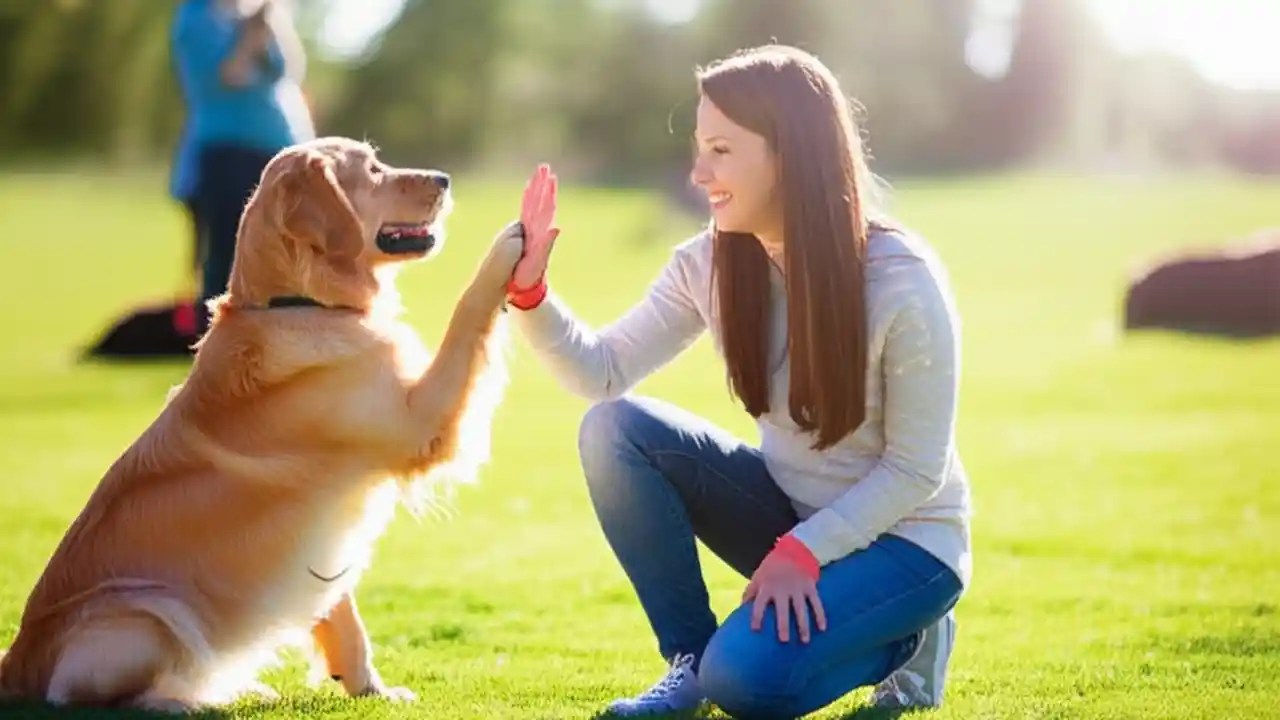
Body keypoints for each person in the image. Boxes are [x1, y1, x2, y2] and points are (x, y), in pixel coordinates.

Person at [506, 45, 972, 718]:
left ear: (788, 151)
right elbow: (602, 372)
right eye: (700, 148)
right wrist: (531, 294)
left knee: (748, 684)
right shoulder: (709, 264)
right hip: (793, 518)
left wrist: (804, 551)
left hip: (908, 541)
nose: (698, 173)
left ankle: (908, 643)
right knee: (613, 431)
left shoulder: (901, 279)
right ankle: (690, 666)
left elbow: (917, 469)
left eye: (720, 150)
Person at [171, 0, 315, 331]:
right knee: (228, 255)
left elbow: (289, 70)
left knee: (287, 255)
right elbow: (229, 74)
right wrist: (252, 33)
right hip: (228, 152)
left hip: (277, 151)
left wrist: (271, 21)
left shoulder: (255, 12)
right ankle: (215, 346)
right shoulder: (197, 16)